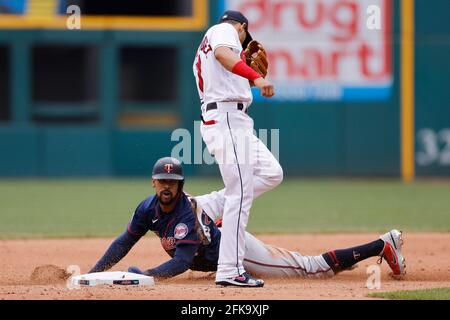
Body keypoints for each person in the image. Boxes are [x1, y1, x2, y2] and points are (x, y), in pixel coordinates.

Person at [89, 157, 406, 284]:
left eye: (173, 182)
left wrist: (148, 276)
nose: (167, 186)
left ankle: (384, 243)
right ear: (153, 183)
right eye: (162, 181)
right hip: (212, 225)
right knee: (224, 199)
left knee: (311, 270)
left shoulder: (187, 215)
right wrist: (94, 272)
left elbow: (183, 261)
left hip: (236, 250)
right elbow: (124, 240)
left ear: (180, 185)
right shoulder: (148, 208)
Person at [192, 9, 283, 287]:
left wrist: (247, 75)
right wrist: (256, 78)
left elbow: (227, 70)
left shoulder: (215, 43)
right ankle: (230, 270)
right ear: (241, 27)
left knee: (271, 172)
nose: (243, 46)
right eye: (244, 38)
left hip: (234, 119)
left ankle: (205, 205)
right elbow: (223, 54)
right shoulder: (223, 31)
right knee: (239, 195)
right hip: (227, 119)